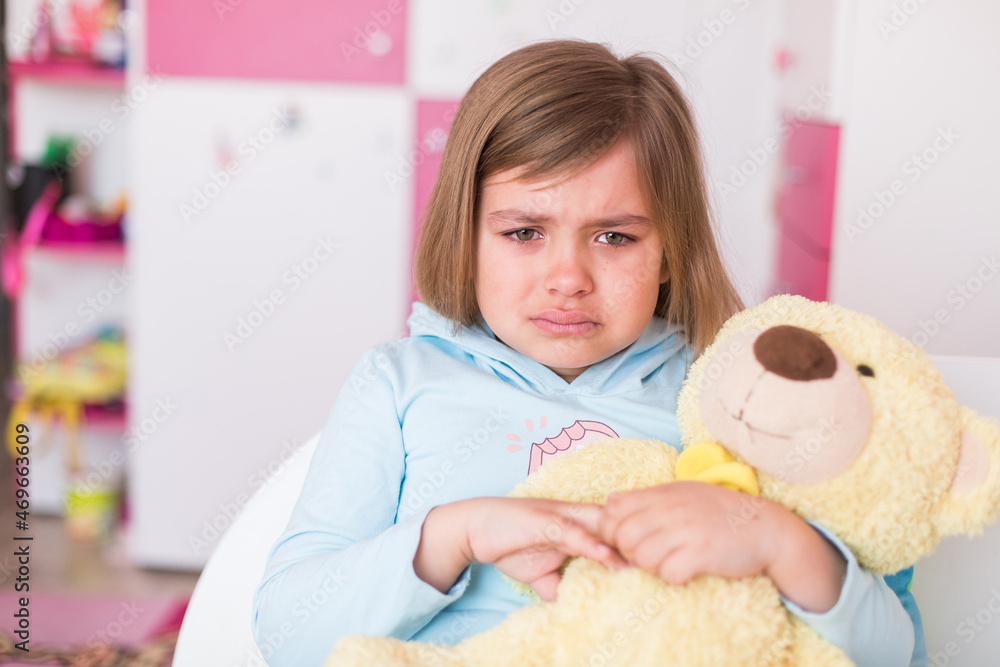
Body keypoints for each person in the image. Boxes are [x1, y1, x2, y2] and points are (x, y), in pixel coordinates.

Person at [251, 39, 925, 666]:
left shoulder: (732, 395)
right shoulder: (398, 384)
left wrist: (777, 539)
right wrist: (455, 533)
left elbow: (899, 650)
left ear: (670, 252)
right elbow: (285, 633)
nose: (568, 275)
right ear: (467, 236)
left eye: (613, 238)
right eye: (523, 231)